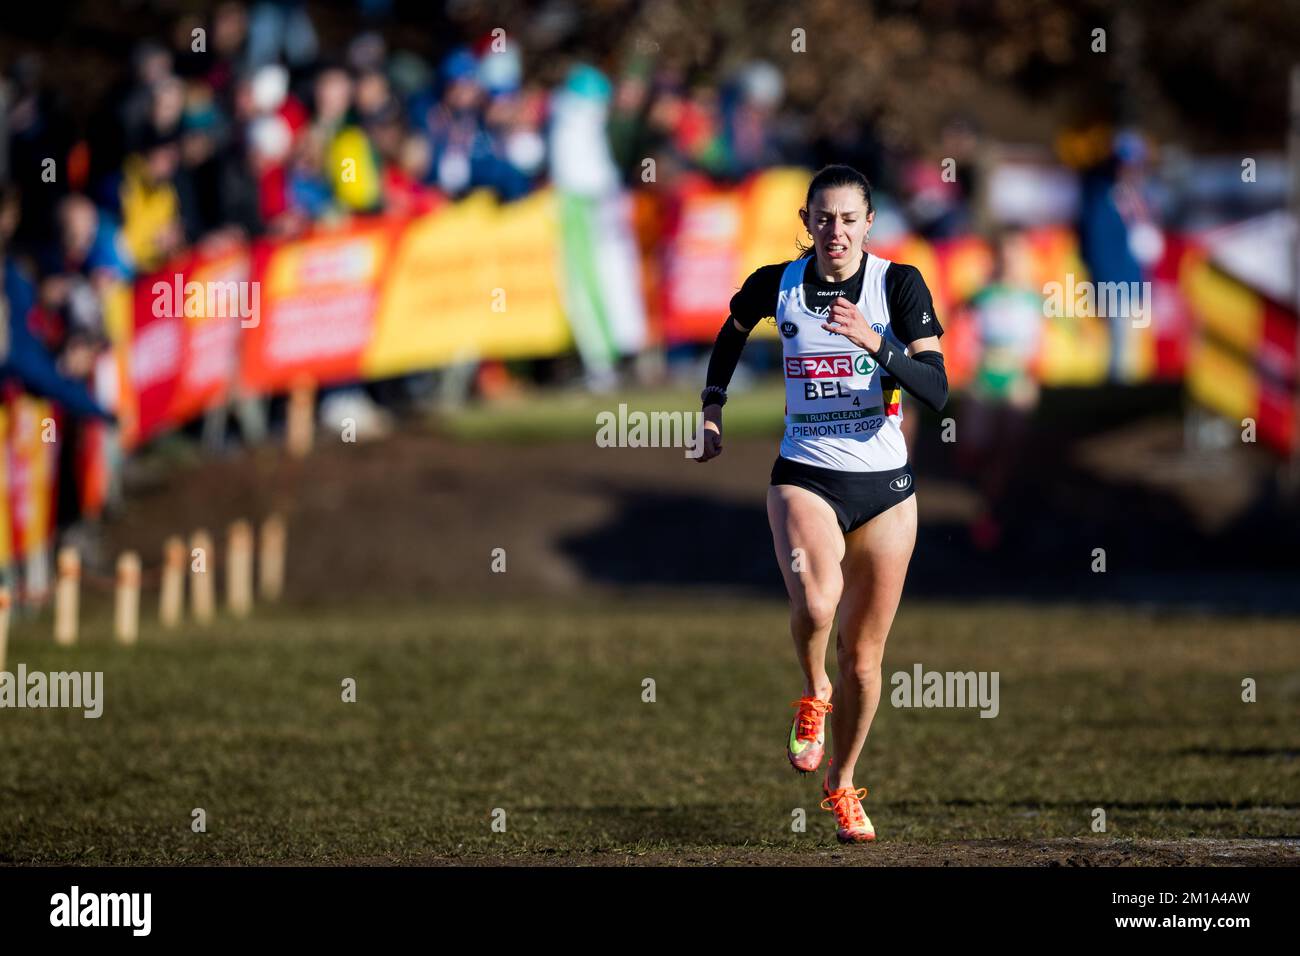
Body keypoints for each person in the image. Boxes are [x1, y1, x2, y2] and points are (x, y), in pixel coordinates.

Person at [697, 165, 947, 843]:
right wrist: (712, 409)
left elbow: (937, 390)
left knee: (864, 659)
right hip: (805, 474)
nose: (835, 230)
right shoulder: (778, 284)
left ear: (869, 222)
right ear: (806, 223)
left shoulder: (897, 284)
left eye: (848, 218)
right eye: (823, 218)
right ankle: (813, 694)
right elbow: (730, 330)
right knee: (814, 602)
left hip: (888, 489)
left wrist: (875, 341)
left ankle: (842, 782)